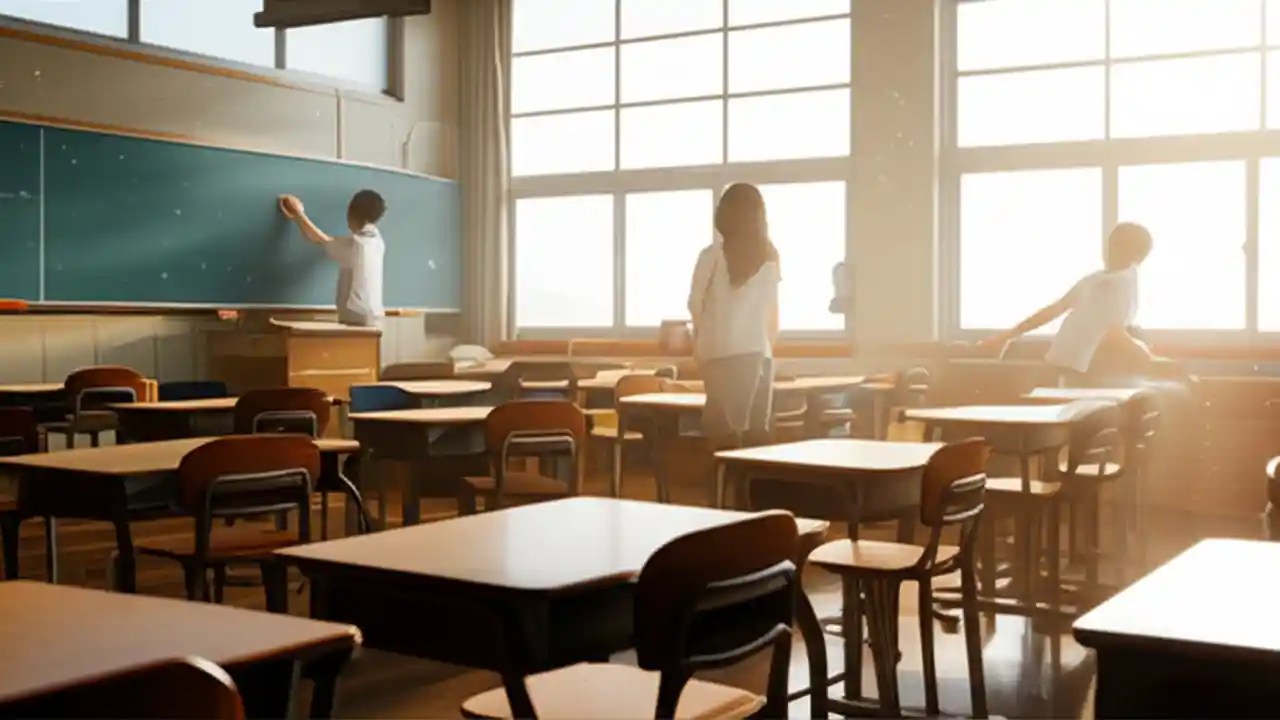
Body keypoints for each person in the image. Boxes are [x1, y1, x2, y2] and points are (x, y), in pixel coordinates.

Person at [979, 222, 1155, 384]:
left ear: (1136, 254)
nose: (1109, 250)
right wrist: (1009, 335)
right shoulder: (1096, 280)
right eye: (1111, 243)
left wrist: (1143, 352)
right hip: (1070, 363)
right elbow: (1057, 309)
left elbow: (1111, 332)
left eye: (1119, 245)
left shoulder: (1122, 281)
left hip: (1082, 365)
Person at [688, 183, 781, 447]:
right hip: (759, 353)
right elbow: (772, 312)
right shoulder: (769, 256)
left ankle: (723, 488)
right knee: (756, 438)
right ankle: (748, 489)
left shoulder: (712, 256)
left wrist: (700, 341)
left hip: (720, 353)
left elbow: (695, 304)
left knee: (722, 437)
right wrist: (767, 349)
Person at [278, 190, 386, 328]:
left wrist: (299, 213)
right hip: (373, 319)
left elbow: (317, 238)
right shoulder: (377, 241)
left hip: (358, 321)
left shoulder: (357, 245)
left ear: (352, 214)